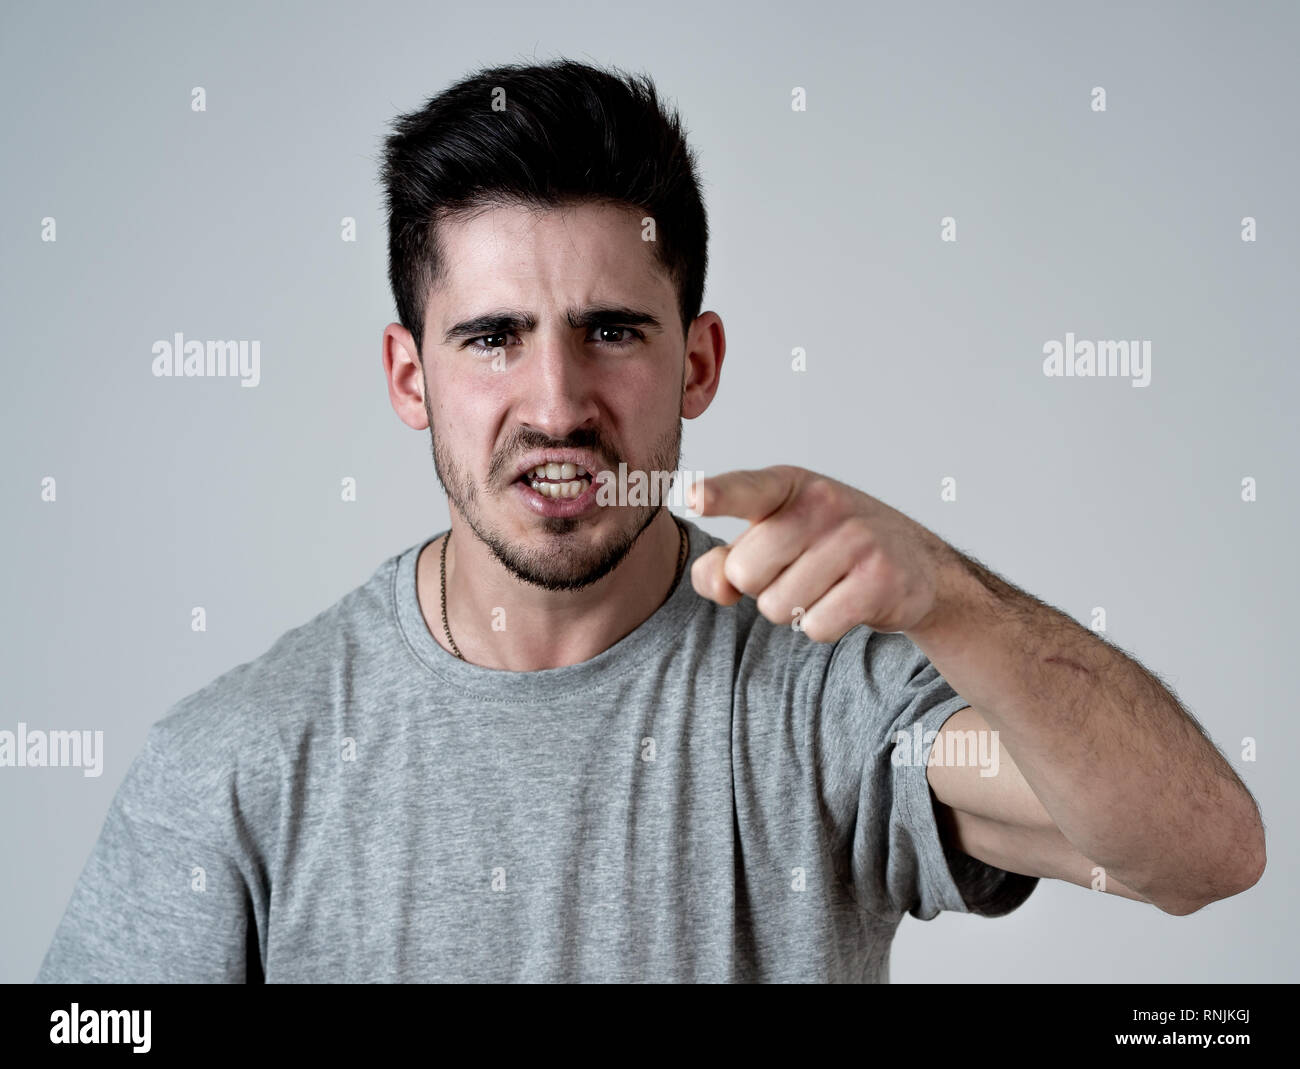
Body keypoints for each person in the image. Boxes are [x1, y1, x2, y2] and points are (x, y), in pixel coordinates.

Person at [36, 59, 1264, 984]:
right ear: (411, 378)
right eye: (491, 338)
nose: (557, 404)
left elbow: (1201, 850)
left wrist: (950, 598)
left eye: (611, 332)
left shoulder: (828, 701)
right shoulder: (237, 763)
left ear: (698, 362)